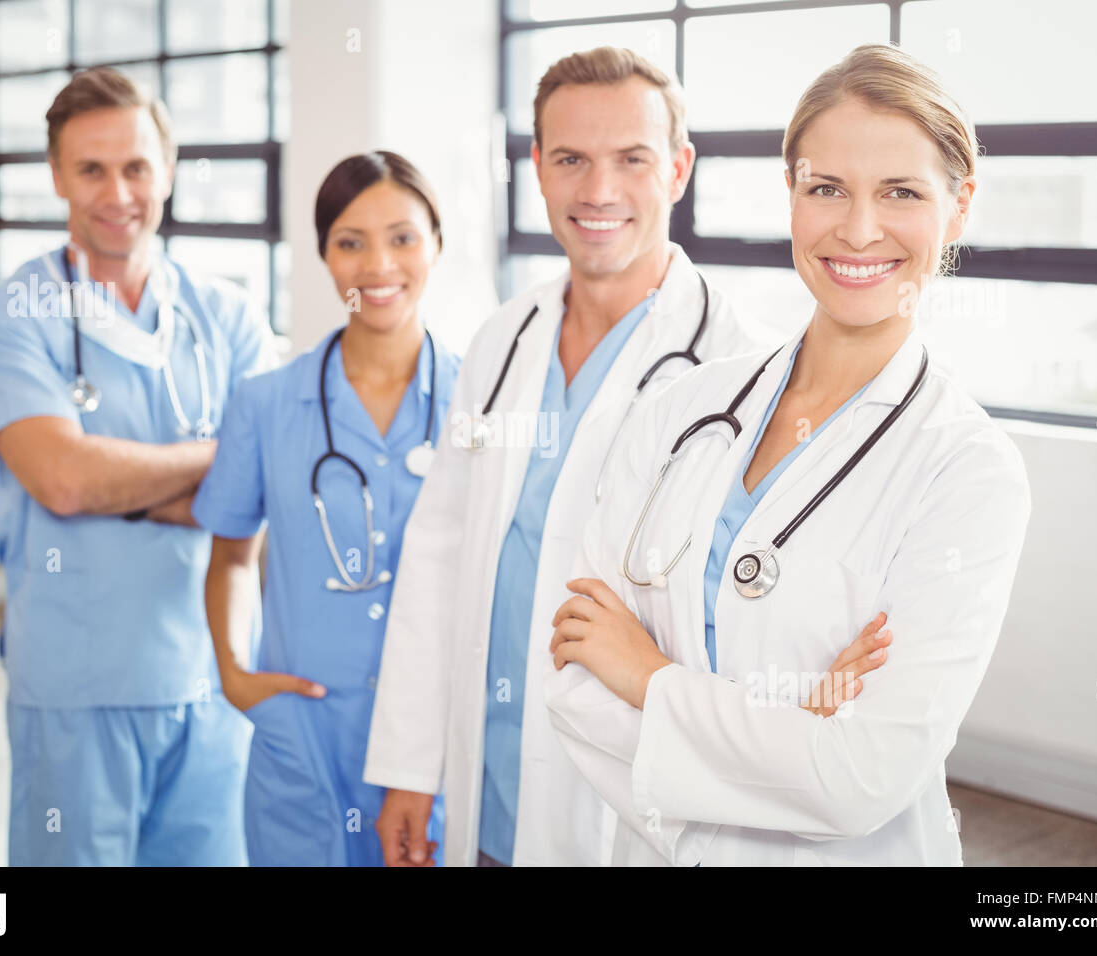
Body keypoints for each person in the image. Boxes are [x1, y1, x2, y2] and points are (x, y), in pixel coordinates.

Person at [361, 46, 862, 868]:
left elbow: (755, 625)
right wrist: (411, 769)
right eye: (570, 160)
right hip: (486, 785)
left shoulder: (743, 372)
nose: (598, 191)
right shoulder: (501, 339)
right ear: (537, 169)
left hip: (633, 811)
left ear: (678, 169)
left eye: (631, 159)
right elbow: (437, 560)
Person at [545, 43, 1032, 866]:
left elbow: (858, 780)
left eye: (901, 193)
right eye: (827, 188)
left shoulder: (968, 470)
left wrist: (651, 679)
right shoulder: (682, 410)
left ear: (959, 207)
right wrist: (789, 726)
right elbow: (575, 691)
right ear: (792, 196)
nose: (859, 229)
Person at [0, 67, 277, 866]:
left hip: (211, 682)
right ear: (57, 174)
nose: (117, 191)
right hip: (76, 690)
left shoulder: (226, 315)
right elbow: (64, 479)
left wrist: (125, 484)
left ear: (166, 169)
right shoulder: (10, 314)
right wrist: (221, 461)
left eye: (136, 166)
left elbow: (265, 483)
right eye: (91, 168)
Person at [193, 152, 458, 866]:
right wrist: (235, 675)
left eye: (403, 237)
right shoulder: (265, 403)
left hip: (438, 746)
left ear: (437, 242)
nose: (378, 265)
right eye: (350, 241)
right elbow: (231, 558)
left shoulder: (482, 403)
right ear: (323, 256)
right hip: (300, 736)